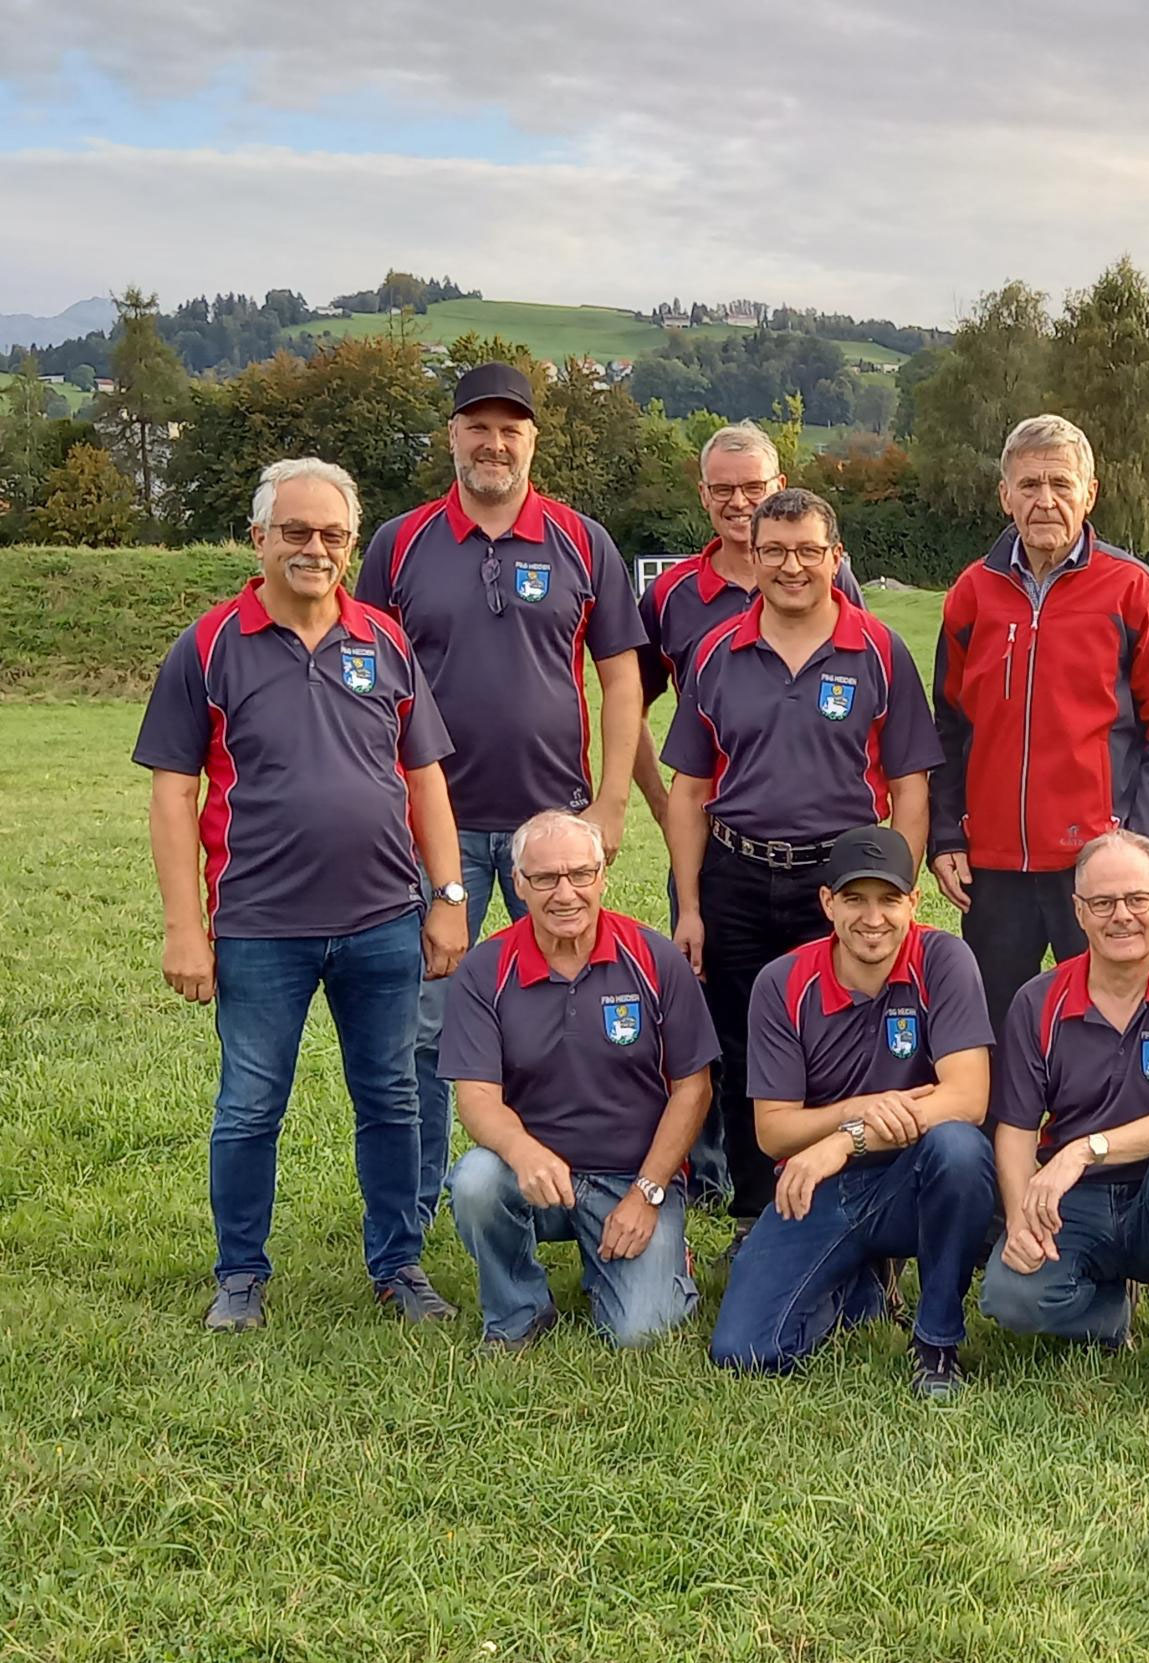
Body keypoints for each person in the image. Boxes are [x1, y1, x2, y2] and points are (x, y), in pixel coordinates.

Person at [135, 457, 469, 1332]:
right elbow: (174, 793)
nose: (313, 548)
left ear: (351, 545)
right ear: (259, 539)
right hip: (256, 927)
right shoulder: (208, 645)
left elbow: (425, 775)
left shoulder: (384, 640)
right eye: (295, 531)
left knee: (393, 1097)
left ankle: (398, 1264)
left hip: (384, 921)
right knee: (249, 1105)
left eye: (331, 534)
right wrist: (184, 929)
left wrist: (447, 895)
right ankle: (240, 1274)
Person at [355, 361, 649, 1234]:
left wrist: (612, 805)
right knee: (422, 1031)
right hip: (429, 833)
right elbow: (362, 675)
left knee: (555, 1018)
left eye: (509, 429)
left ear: (531, 440)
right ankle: (410, 1221)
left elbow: (621, 680)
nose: (493, 443)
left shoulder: (580, 539)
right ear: (451, 437)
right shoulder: (399, 544)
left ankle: (554, 1190)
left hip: (549, 833)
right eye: (476, 427)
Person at [662, 488, 940, 1250]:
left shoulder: (877, 650)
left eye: (808, 551)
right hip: (737, 872)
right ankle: (760, 1218)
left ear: (834, 557)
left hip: (843, 879)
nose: (791, 566)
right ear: (752, 557)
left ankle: (868, 1226)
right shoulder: (719, 652)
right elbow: (689, 790)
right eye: (775, 551)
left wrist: (897, 889)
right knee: (746, 1048)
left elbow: (912, 787)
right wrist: (689, 905)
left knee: (853, 1045)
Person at [633, 421, 863, 1202]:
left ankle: (826, 1185)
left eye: (753, 487)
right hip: (723, 851)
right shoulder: (670, 595)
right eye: (723, 488)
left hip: (823, 856)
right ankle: (723, 1180)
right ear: (704, 495)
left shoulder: (832, 579)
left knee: (824, 1018)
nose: (738, 501)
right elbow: (629, 700)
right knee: (715, 1022)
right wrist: (665, 806)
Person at [709, 827, 997, 1398]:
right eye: (854, 899)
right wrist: (860, 1111)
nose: (873, 918)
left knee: (959, 1149)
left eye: (889, 899)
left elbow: (966, 1098)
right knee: (745, 1352)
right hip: (818, 1189)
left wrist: (843, 1140)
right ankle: (856, 1288)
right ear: (827, 903)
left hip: (911, 1178)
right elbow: (773, 1131)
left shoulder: (942, 958)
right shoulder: (783, 982)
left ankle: (936, 1343)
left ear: (913, 903)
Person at [931, 415, 1149, 1028]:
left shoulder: (1133, 589)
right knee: (995, 1029)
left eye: (1060, 483)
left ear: (1089, 493)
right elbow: (947, 725)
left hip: (1098, 861)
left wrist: (1142, 845)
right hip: (994, 865)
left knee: (1112, 1021)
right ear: (1005, 495)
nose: (1044, 500)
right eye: (1028, 485)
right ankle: (1005, 1128)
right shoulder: (973, 593)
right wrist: (946, 834)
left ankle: (1107, 1127)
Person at [980, 831, 1149, 1414]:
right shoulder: (1038, 1000)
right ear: (1078, 912)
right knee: (1007, 1298)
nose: (1121, 915)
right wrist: (1023, 1215)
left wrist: (1083, 1150)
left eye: (1137, 899)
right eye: (1102, 904)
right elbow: (1018, 1128)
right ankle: (1107, 1312)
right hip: (1078, 1203)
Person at [440, 811, 716, 1350]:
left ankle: (655, 1261)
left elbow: (694, 1088)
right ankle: (518, 1309)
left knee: (639, 1333)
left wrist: (647, 1191)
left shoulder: (654, 958)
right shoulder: (485, 969)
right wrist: (521, 1151)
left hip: (633, 1177)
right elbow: (475, 1098)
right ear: (518, 883)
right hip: (538, 1173)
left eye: (580, 875)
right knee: (475, 1182)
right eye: (545, 878)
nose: (565, 893)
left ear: (602, 877)